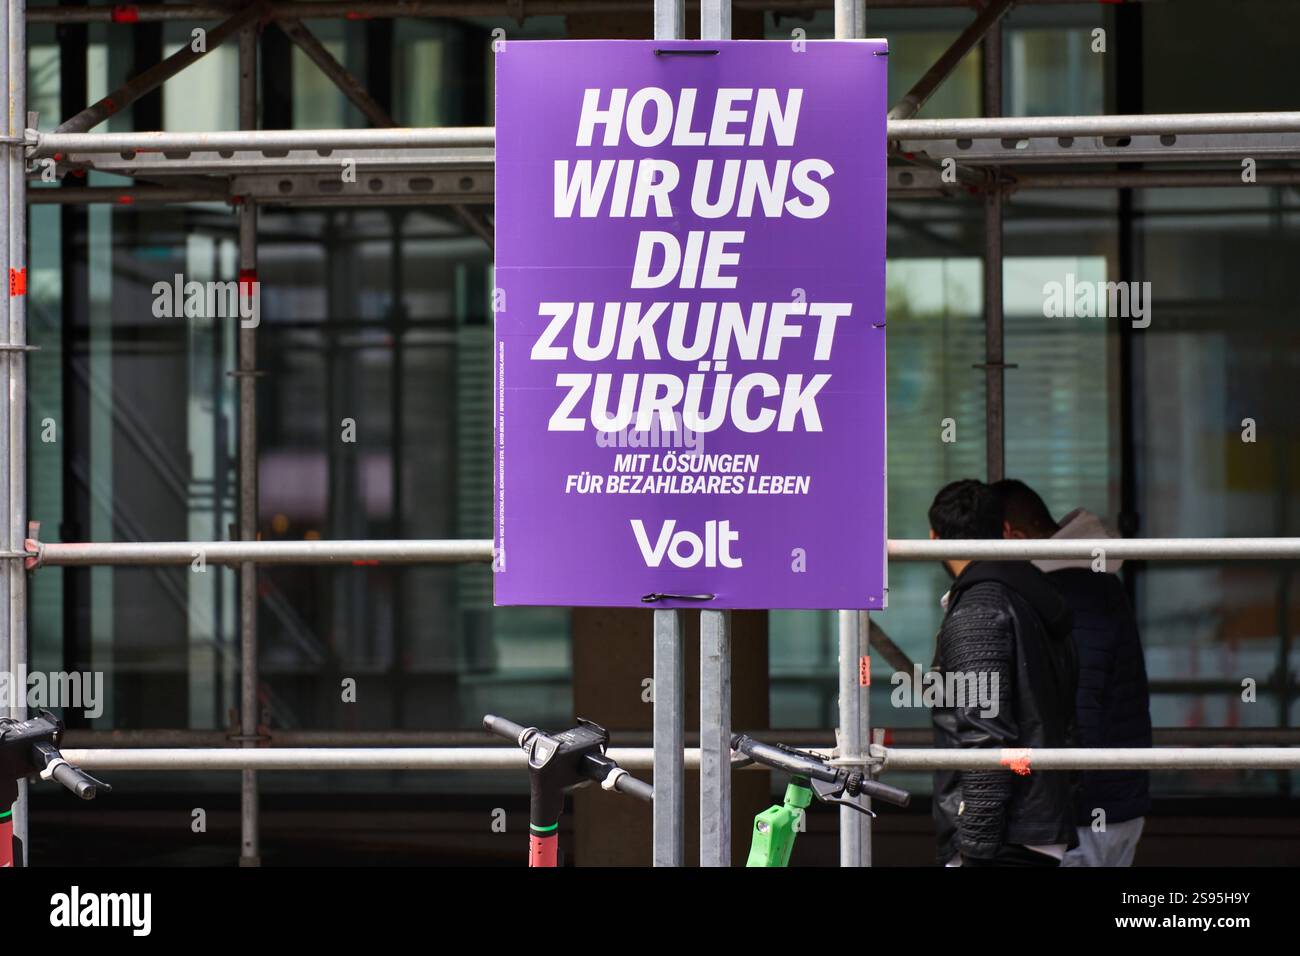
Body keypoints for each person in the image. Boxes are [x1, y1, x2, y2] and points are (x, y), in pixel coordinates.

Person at [992, 479, 1152, 867]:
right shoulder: (1093, 583)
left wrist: (1046, 814)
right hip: (1111, 806)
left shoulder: (1066, 596)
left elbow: (1077, 712)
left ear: (1011, 537)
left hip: (1085, 816)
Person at [927, 479, 1078, 867]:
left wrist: (973, 848)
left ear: (934, 538)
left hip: (1005, 835)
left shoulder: (978, 609)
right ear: (1000, 530)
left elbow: (984, 734)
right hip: (1035, 821)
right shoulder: (1028, 596)